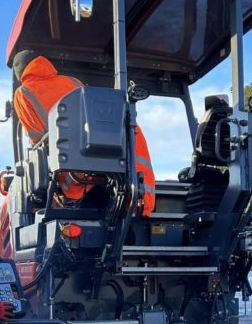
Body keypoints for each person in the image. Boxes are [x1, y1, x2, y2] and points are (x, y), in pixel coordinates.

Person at [11, 50, 156, 215]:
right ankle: (140, 206)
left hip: (71, 168)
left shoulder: (23, 93)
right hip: (107, 157)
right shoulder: (72, 81)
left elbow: (35, 138)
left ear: (20, 73)